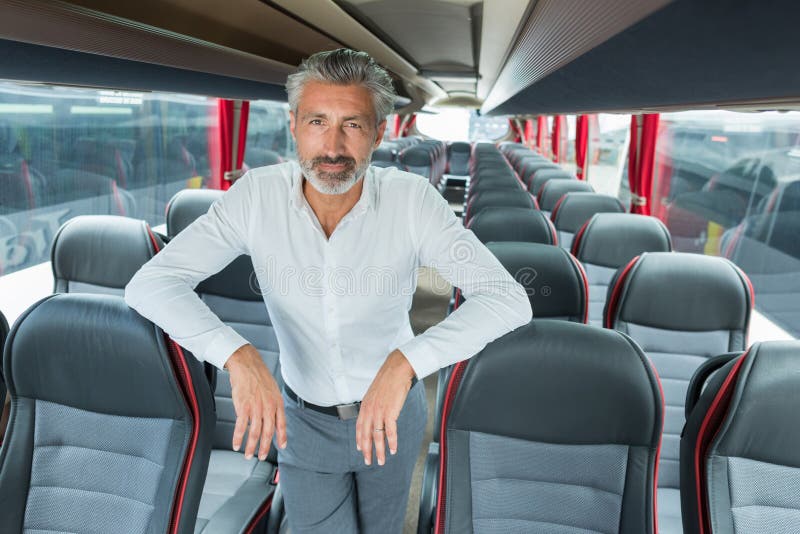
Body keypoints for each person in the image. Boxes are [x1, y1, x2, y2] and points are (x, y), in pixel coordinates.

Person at [125, 48, 531, 533]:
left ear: (380, 133)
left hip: (392, 416)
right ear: (294, 125)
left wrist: (407, 363)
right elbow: (151, 284)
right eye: (318, 121)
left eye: (353, 125)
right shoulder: (256, 197)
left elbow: (508, 298)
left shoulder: (412, 202)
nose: (333, 146)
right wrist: (236, 354)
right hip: (302, 420)